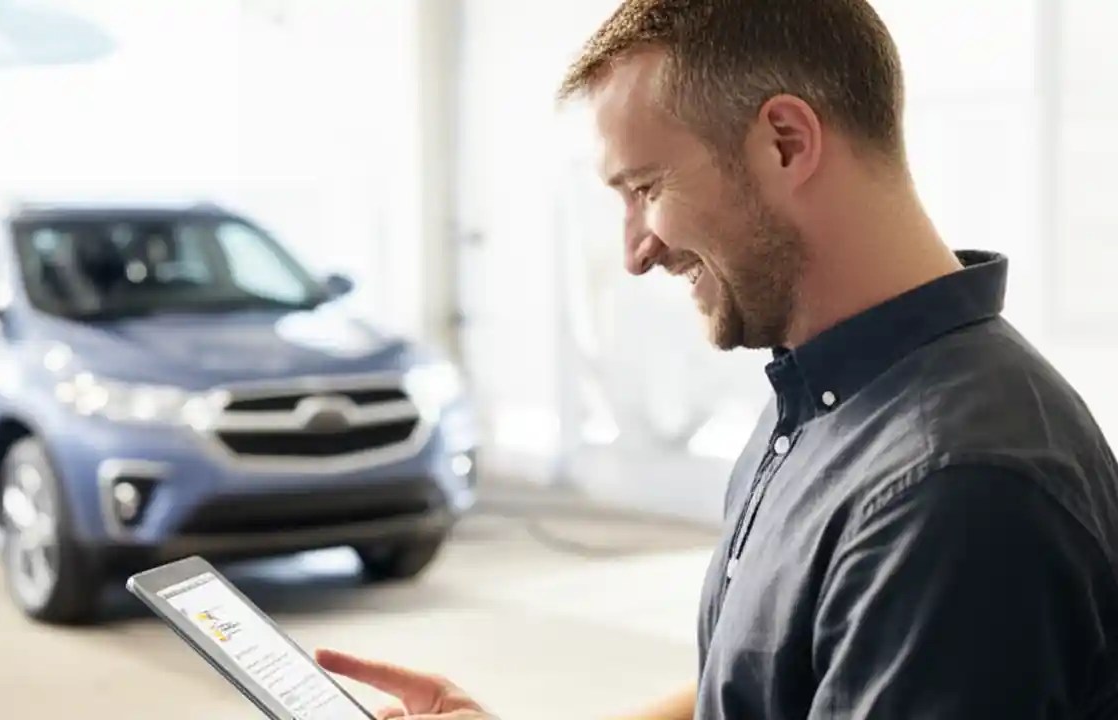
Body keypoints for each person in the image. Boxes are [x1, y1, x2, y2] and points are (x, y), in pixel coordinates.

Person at [317, 0, 1118, 717]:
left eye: (647, 186)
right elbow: (759, 689)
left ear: (785, 140)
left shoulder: (959, 491)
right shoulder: (827, 393)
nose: (636, 250)